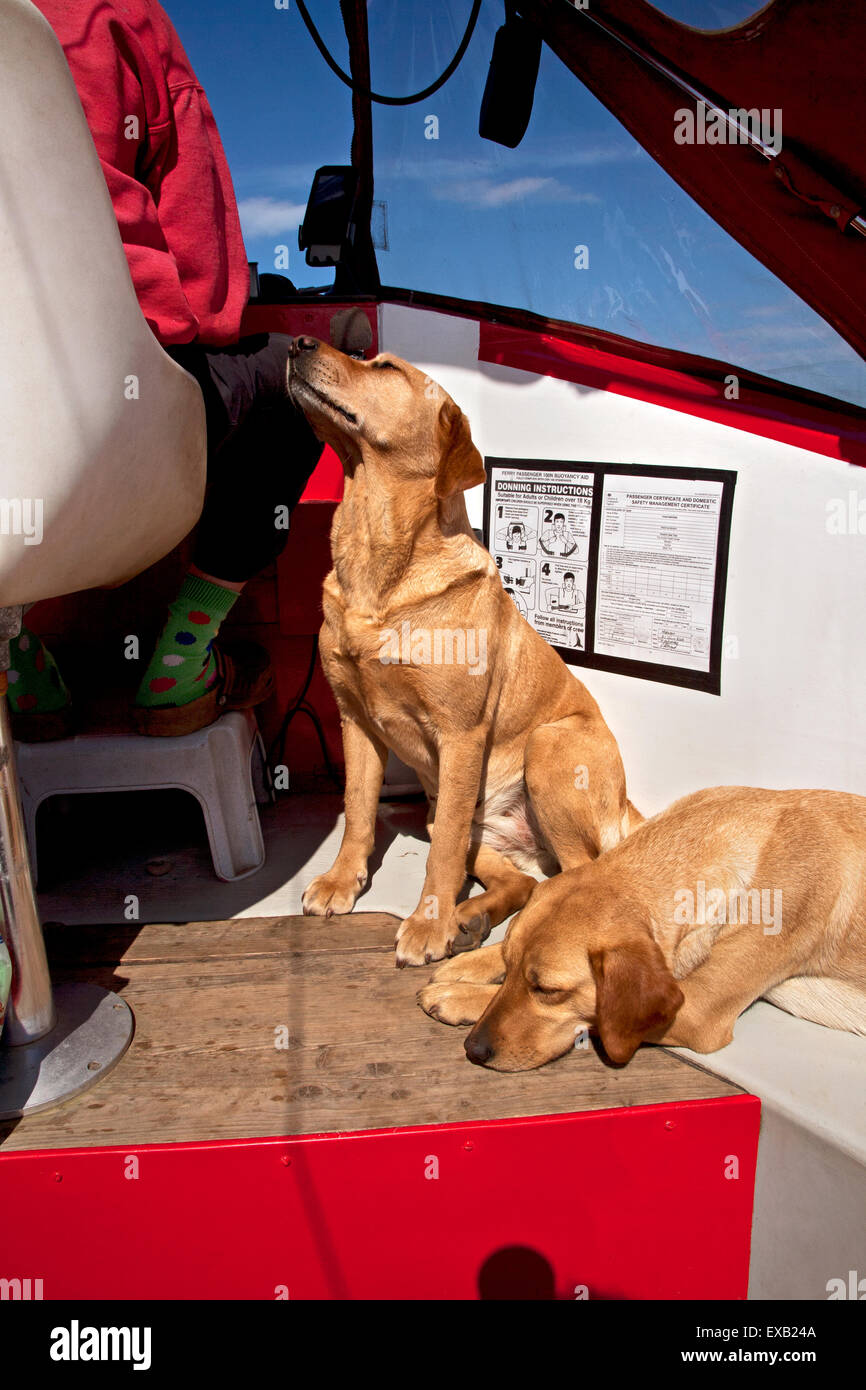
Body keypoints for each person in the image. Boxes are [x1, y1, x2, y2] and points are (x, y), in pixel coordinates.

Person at [12, 0, 324, 739]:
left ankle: (19, 665)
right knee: (295, 382)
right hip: (105, 439)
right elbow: (209, 296)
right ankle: (180, 668)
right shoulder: (116, 13)